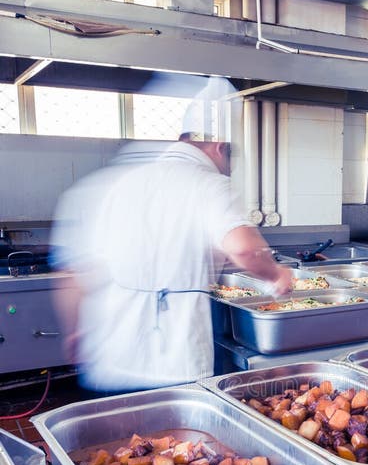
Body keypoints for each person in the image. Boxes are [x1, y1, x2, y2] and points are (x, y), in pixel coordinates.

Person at [51, 92, 292, 394]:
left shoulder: (116, 181)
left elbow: (74, 277)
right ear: (219, 148)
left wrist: (75, 331)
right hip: (174, 364)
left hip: (110, 357)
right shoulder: (208, 183)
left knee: (116, 440)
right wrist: (276, 274)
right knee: (177, 441)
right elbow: (243, 247)